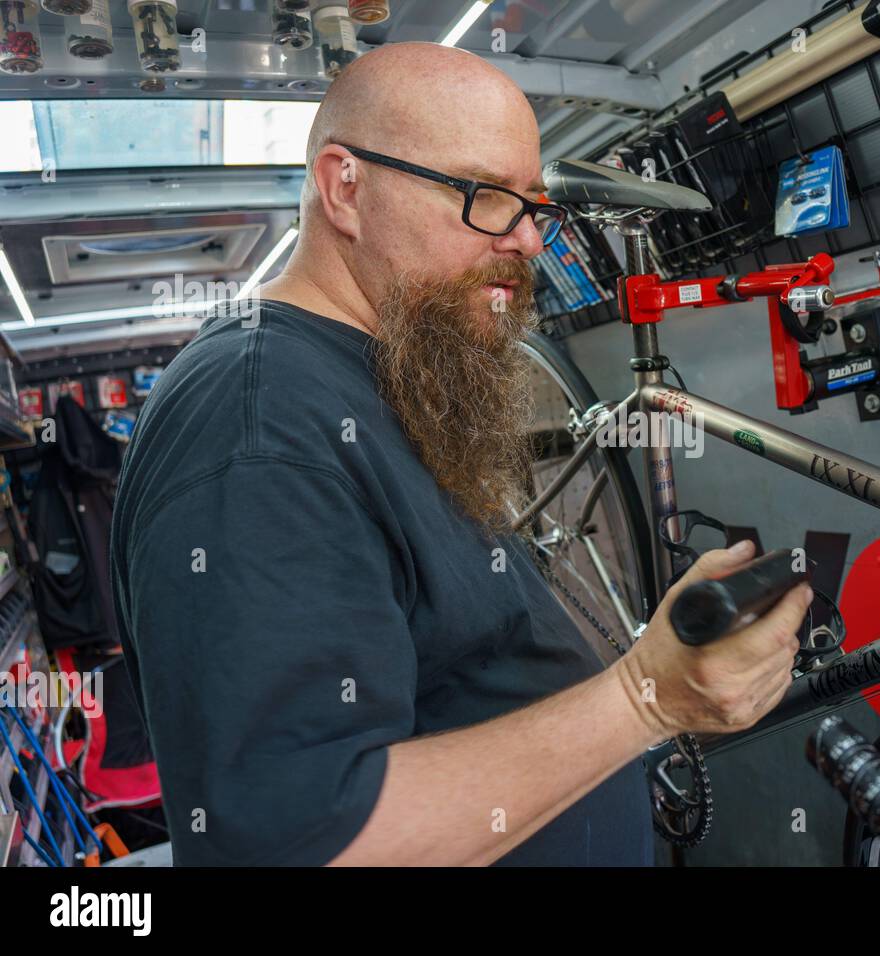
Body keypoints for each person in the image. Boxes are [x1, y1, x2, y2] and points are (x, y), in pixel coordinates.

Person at [109, 41, 810, 866]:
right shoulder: (255, 425)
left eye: (534, 208)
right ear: (346, 188)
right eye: (486, 197)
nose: (528, 241)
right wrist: (644, 698)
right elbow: (299, 841)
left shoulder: (378, 367)